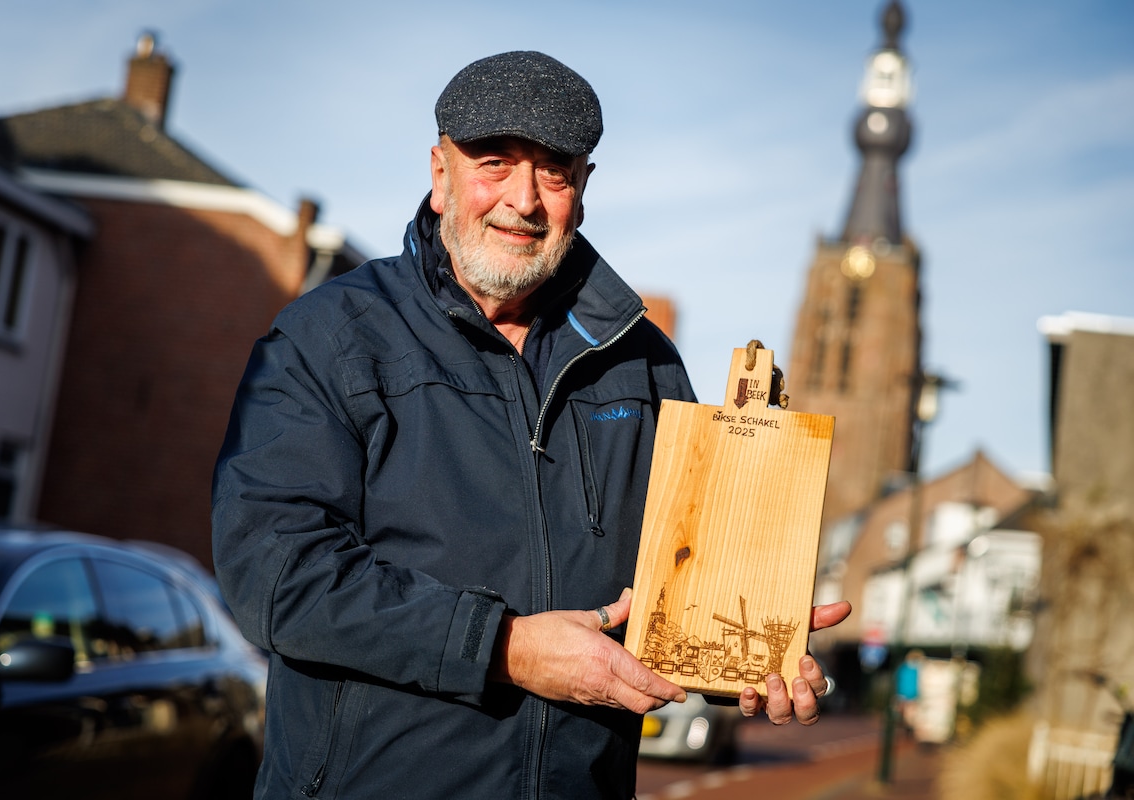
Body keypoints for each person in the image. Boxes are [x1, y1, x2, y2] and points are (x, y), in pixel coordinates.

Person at [211, 50, 851, 799]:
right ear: (439, 172)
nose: (523, 200)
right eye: (494, 163)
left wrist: (741, 651)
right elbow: (275, 575)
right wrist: (504, 649)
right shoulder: (330, 335)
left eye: (554, 172)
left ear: (582, 190)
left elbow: (667, 594)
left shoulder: (642, 365)